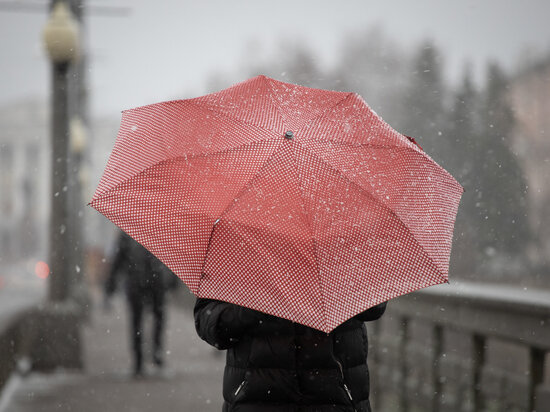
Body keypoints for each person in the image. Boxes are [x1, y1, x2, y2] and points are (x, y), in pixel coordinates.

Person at [194, 298, 387, 411]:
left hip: (336, 397)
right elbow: (209, 324)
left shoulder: (343, 235)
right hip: (256, 397)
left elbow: (375, 306)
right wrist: (255, 304)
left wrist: (329, 289)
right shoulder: (239, 241)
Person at [105, 230, 177, 376]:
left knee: (143, 320)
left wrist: (111, 284)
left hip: (143, 283)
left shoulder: (128, 231)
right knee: (150, 319)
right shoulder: (160, 231)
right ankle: (148, 355)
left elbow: (118, 259)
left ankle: (145, 357)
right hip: (148, 283)